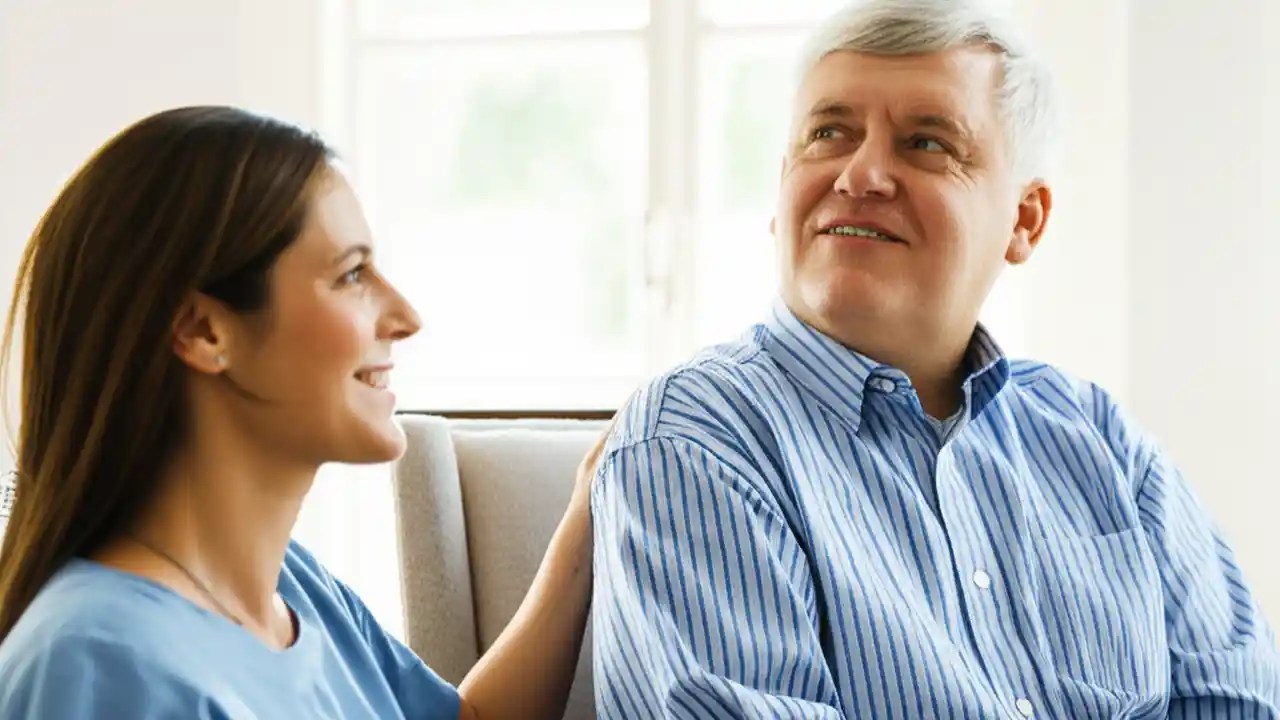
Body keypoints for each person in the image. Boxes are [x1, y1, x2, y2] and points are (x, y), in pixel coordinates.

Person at [590, 0, 1280, 718]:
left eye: (926, 144)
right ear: (780, 187)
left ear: (1025, 219)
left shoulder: (1101, 439)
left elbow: (1243, 704)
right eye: (829, 133)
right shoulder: (698, 438)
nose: (860, 174)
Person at [0, 106, 605, 719]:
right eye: (351, 275)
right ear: (205, 331)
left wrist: (589, 506)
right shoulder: (96, 666)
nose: (405, 317)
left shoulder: (291, 588)